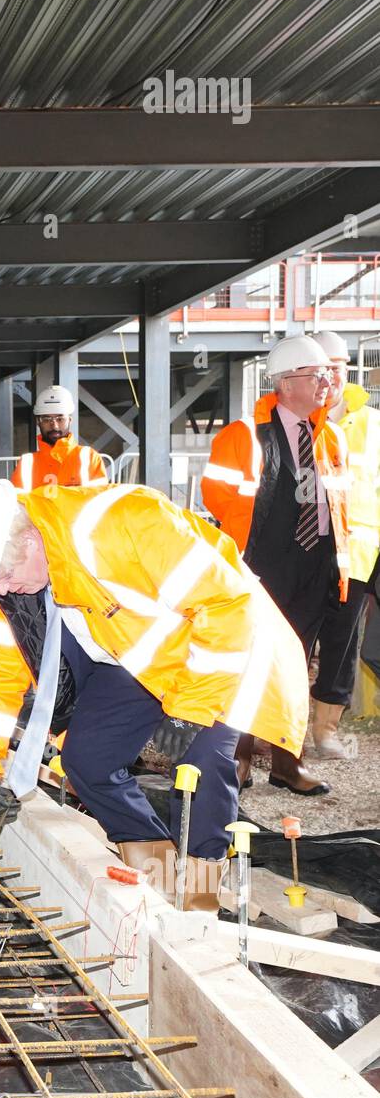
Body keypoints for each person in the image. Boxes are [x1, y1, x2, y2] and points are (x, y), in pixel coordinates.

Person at [0, 479, 309, 910]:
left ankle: (199, 898)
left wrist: (187, 713)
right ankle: (157, 869)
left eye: (3, 575)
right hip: (137, 658)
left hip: (220, 650)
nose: (0, 589)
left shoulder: (125, 522)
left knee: (199, 768)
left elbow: (227, 607)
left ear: (31, 539)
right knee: (86, 759)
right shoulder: (6, 579)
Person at [201, 334, 349, 795]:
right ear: (286, 383)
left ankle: (288, 763)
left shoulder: (330, 436)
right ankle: (239, 757)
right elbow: (218, 498)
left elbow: (338, 506)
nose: (326, 382)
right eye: (316, 375)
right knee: (250, 662)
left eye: (327, 374)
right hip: (262, 565)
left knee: (296, 665)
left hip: (316, 565)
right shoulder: (242, 436)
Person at [308, 331, 380, 758]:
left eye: (337, 366)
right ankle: (277, 732)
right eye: (322, 367)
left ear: (347, 369)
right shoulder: (294, 419)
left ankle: (326, 731)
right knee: (292, 643)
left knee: (341, 645)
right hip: (302, 553)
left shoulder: (373, 425)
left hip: (355, 556)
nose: (331, 375)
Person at [11, 385, 108, 491]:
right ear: (38, 422)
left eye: (60, 419)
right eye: (47, 419)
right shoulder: (26, 464)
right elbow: (16, 499)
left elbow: (101, 498)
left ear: (70, 420)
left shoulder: (89, 458)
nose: (55, 426)